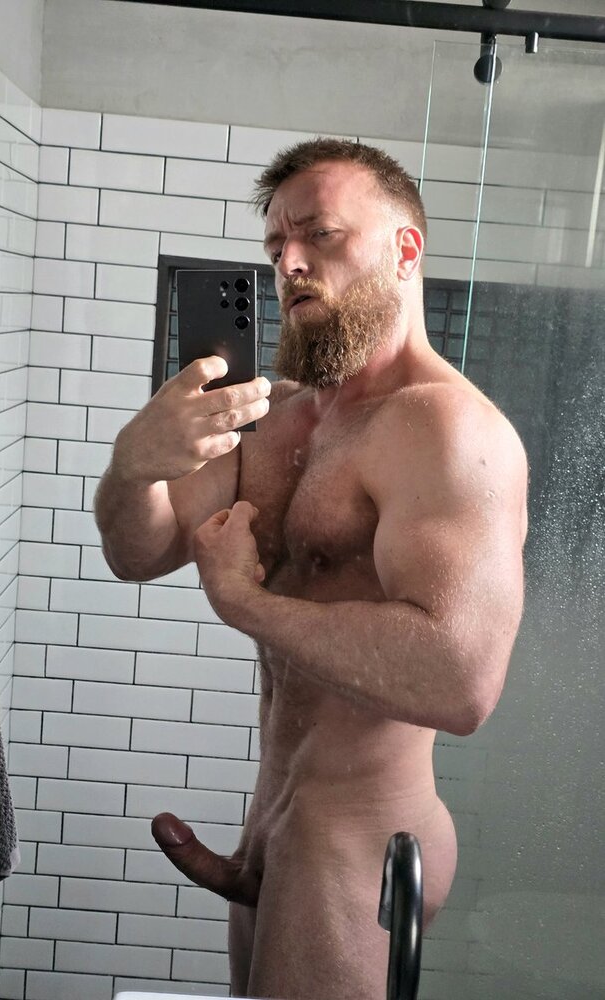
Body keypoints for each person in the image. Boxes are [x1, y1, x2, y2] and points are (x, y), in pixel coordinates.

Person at [94, 138, 528, 999]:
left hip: (361, 840)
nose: (289, 262)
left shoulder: (445, 429)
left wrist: (244, 601)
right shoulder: (277, 415)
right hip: (279, 816)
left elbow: (460, 682)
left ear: (405, 249)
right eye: (276, 245)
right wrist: (132, 467)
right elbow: (138, 552)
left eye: (320, 234)